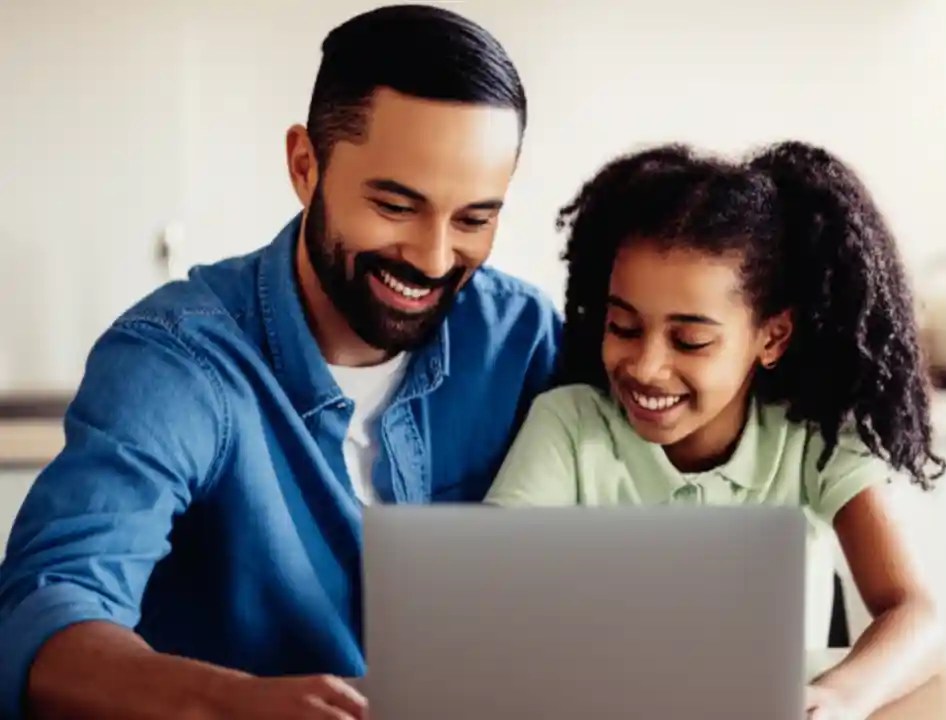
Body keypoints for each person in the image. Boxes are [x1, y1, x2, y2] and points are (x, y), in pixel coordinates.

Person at [0, 5, 558, 719]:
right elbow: (46, 613)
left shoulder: (523, 339)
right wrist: (233, 705)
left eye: (474, 219)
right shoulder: (177, 358)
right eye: (395, 205)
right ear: (305, 166)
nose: (435, 257)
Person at [485, 141, 946, 719]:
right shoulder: (571, 426)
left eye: (690, 340)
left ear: (771, 338)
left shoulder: (811, 440)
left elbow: (914, 613)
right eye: (623, 326)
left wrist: (838, 695)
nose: (646, 366)